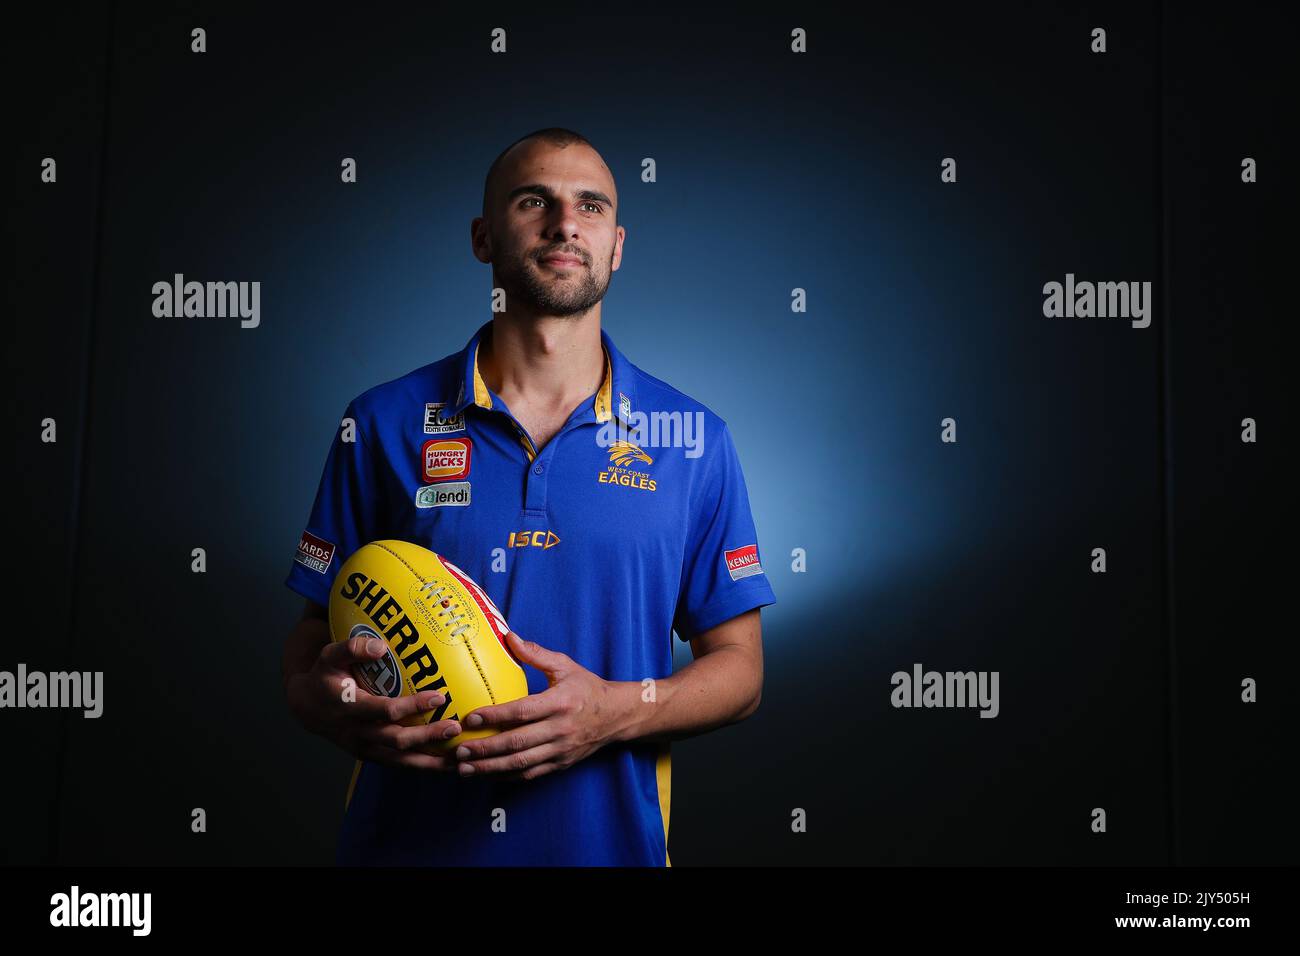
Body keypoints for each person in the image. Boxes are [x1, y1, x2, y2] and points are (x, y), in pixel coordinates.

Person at [281, 128, 776, 865]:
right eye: (533, 200)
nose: (564, 222)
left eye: (591, 206)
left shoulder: (693, 440)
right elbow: (309, 644)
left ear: (616, 245)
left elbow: (741, 669)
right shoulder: (382, 422)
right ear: (484, 238)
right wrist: (326, 700)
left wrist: (616, 712)